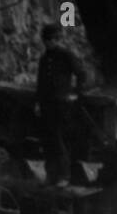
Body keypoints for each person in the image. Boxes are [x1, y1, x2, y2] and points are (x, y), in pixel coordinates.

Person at [34, 24, 88, 188]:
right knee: (47, 141)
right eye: (47, 41)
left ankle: (64, 176)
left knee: (59, 140)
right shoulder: (44, 59)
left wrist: (75, 94)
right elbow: (40, 83)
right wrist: (37, 103)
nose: (50, 43)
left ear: (57, 40)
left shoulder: (66, 55)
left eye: (53, 40)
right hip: (46, 105)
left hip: (61, 105)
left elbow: (81, 73)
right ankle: (51, 175)